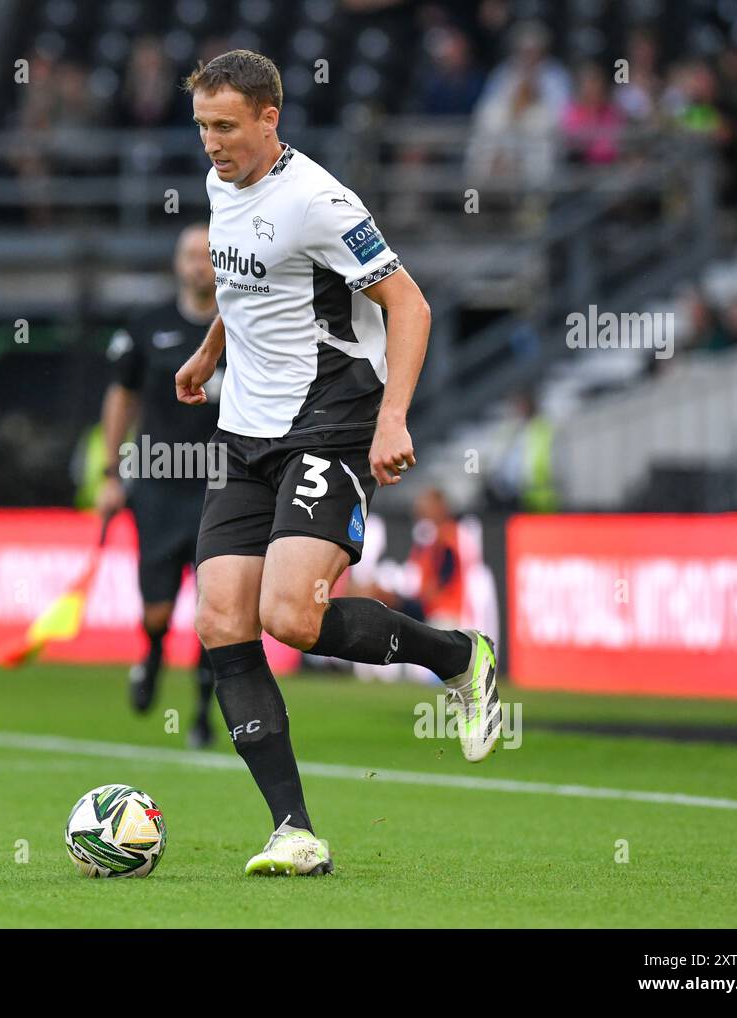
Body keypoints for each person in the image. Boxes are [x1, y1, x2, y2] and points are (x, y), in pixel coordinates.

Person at [175, 50, 504, 877]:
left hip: (331, 421)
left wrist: (393, 417)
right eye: (203, 125)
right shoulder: (223, 184)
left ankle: (458, 659)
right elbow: (243, 281)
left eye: (225, 126)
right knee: (221, 621)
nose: (210, 142)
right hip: (243, 430)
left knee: (292, 617)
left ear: (268, 118)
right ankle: (294, 830)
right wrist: (210, 349)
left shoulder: (320, 201)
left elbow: (410, 303)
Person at [95, 223, 222, 748]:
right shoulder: (147, 326)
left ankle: (202, 715)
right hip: (159, 482)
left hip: (222, 487)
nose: (198, 263)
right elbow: (121, 397)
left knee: (218, 609)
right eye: (190, 254)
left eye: (208, 254)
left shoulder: (245, 321)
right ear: (177, 264)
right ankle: (150, 655)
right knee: (160, 609)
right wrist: (109, 473)